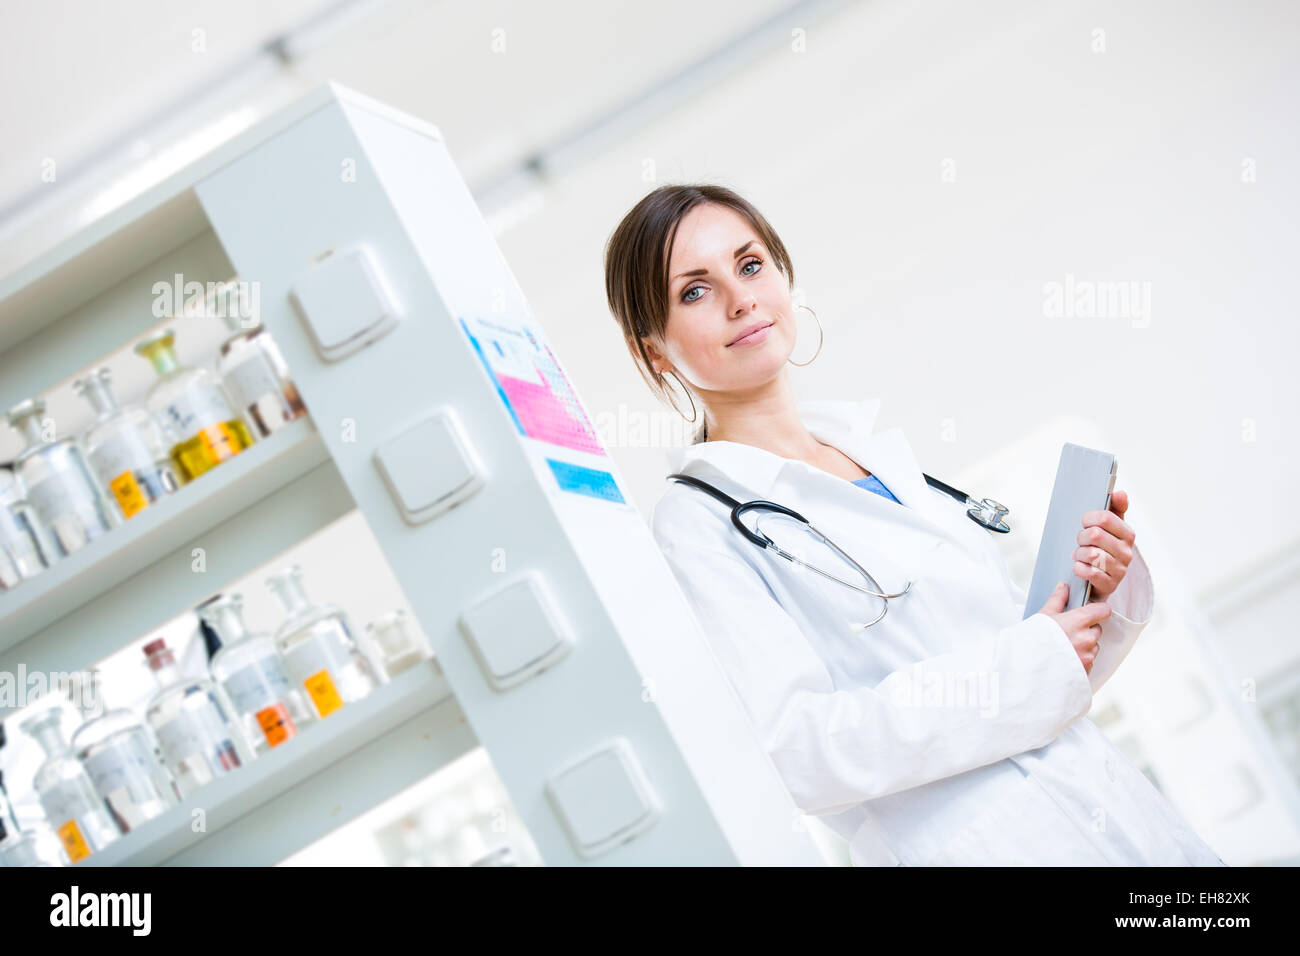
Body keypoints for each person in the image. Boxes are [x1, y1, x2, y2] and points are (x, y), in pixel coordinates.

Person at [602, 183, 1224, 866]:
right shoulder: (700, 520)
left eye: (750, 266)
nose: (740, 299)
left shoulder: (877, 457)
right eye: (695, 291)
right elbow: (799, 750)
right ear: (652, 350)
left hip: (1122, 818)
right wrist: (1025, 666)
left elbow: (1040, 680)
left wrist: (1096, 594)